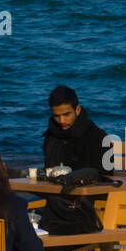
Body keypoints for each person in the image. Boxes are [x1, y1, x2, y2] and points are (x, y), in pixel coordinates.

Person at [41, 85, 108, 234]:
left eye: (66, 114)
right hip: (56, 196)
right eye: (57, 116)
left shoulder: (97, 136)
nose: (61, 120)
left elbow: (105, 174)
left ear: (77, 110)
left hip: (87, 202)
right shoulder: (51, 135)